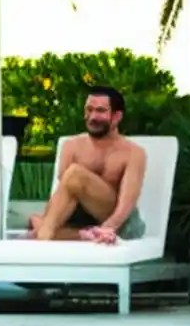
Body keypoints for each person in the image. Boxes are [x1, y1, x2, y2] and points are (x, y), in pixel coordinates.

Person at [28, 86, 147, 244]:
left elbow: (127, 202)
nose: (92, 116)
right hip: (82, 221)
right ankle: (83, 235)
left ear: (117, 116)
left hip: (119, 220)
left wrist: (109, 227)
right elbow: (64, 196)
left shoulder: (133, 153)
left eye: (100, 111)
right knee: (36, 221)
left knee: (74, 175)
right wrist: (47, 221)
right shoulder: (72, 146)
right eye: (89, 110)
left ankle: (43, 240)